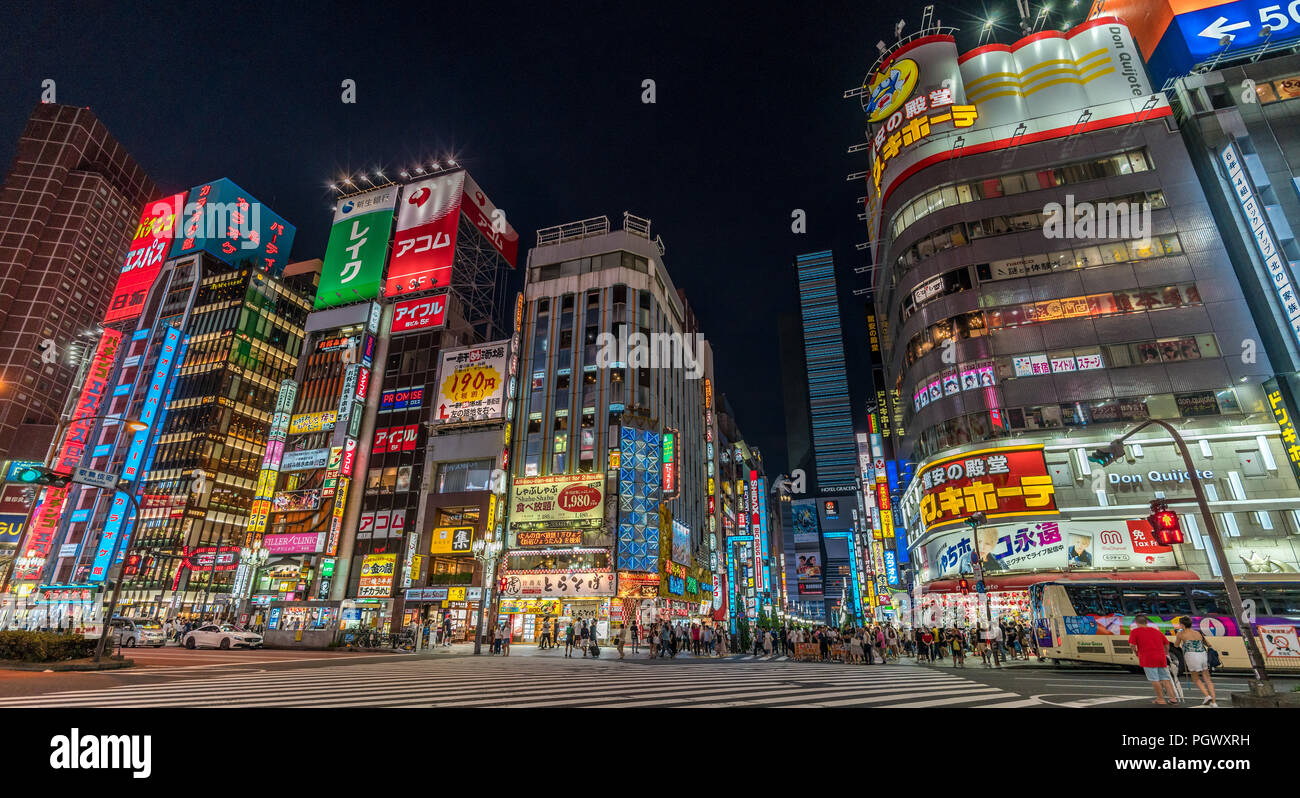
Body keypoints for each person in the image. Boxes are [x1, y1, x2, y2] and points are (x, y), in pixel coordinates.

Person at [1128, 615, 1177, 705]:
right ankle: (1173, 698)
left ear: (1136, 623)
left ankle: (1160, 699)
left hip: (1147, 657)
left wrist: (1136, 652)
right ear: (1146, 622)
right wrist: (1166, 653)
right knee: (1165, 678)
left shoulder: (1135, 631)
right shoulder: (1156, 631)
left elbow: (1132, 645)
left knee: (1155, 679)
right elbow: (1166, 644)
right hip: (1161, 657)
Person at [1174, 616, 1218, 707]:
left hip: (1192, 656)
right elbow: (1208, 644)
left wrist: (1178, 636)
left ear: (1182, 625)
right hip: (1202, 654)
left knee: (1196, 678)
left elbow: (1176, 645)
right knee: (1207, 679)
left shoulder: (1181, 634)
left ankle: (1207, 696)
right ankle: (1214, 702)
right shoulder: (1198, 632)